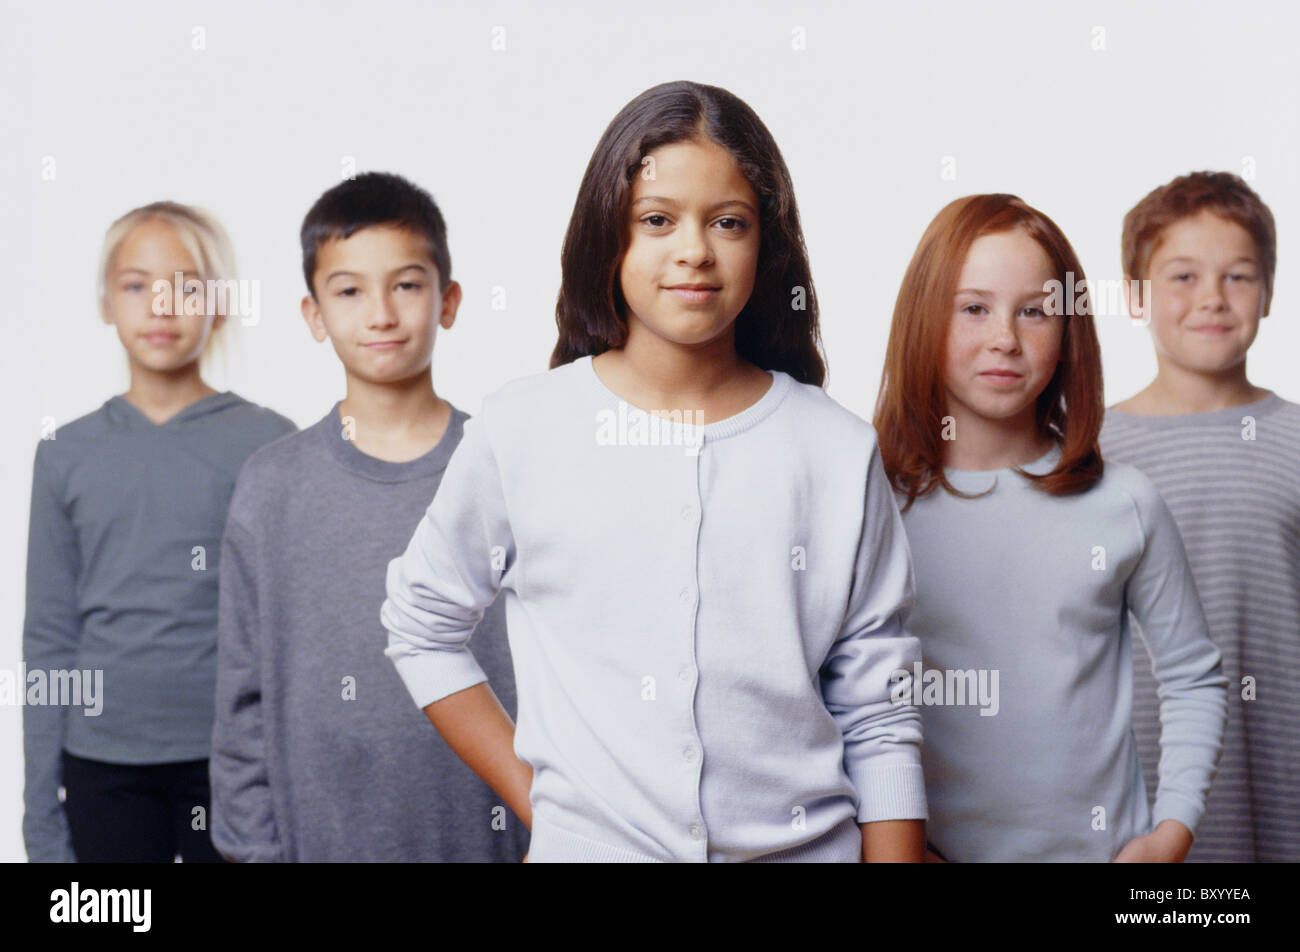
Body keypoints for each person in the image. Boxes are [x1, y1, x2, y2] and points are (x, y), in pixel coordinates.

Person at [382, 80, 927, 863]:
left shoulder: (835, 450)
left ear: (767, 244)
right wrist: (540, 800)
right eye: (657, 220)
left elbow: (880, 708)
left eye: (729, 222)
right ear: (610, 236)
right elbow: (420, 621)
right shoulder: (525, 428)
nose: (694, 250)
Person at [873, 193, 1228, 861]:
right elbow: (841, 696)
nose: (1005, 337)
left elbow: (1193, 677)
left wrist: (1171, 832)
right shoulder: (874, 507)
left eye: (1034, 310)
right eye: (973, 308)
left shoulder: (1124, 502)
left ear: (1069, 330)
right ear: (925, 318)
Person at [209, 171, 526, 862]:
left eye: (407, 284)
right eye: (349, 291)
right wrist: (252, 851)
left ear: (449, 300)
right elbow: (242, 699)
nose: (380, 313)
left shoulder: (507, 470)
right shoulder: (271, 486)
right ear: (313, 315)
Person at [22, 201, 296, 862]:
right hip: (103, 764)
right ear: (105, 303)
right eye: (137, 284)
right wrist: (38, 815)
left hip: (229, 765)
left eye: (187, 286)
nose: (162, 305)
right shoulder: (66, 453)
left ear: (221, 303)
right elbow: (49, 637)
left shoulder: (268, 444)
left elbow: (290, 634)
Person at [1101, 170, 1300, 862]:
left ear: (1268, 292)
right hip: (1133, 808)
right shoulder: (1084, 453)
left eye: (1238, 276)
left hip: (1281, 792)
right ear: (1135, 295)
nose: (1212, 298)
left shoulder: (1296, 441)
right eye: (1182, 276)